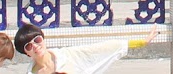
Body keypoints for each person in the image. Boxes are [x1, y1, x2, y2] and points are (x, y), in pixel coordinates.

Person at [13, 24, 160, 74]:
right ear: (26, 53)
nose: (36, 46)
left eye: (37, 40)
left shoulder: (66, 56)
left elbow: (102, 48)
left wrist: (141, 42)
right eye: (29, 46)